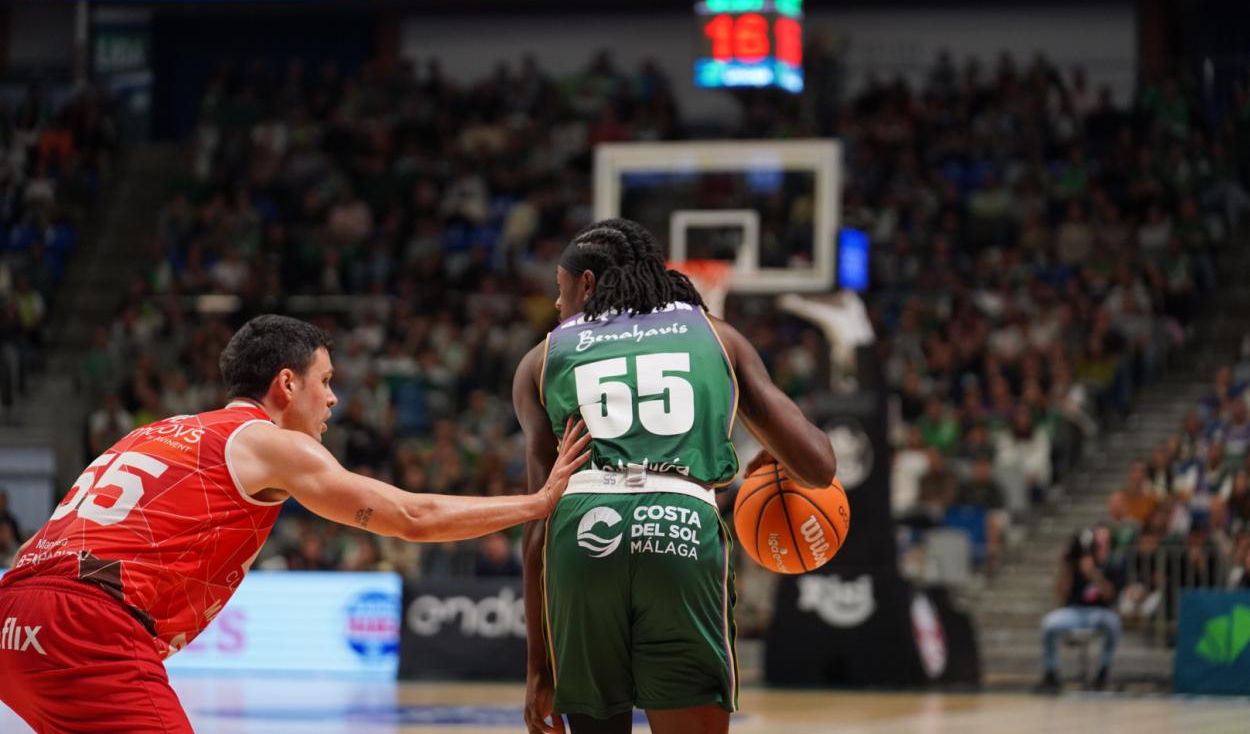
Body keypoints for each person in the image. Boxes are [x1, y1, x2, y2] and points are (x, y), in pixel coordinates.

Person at [0, 314, 590, 733]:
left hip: (14, 615)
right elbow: (411, 516)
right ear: (287, 382)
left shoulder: (153, 431)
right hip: (89, 622)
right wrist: (535, 503)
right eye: (326, 380)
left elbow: (43, 537)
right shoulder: (266, 441)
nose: (333, 399)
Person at [514, 219, 836, 734]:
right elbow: (819, 467)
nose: (557, 304)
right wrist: (772, 457)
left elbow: (536, 520)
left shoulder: (542, 357)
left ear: (588, 284)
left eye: (560, 288)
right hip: (679, 524)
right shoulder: (715, 334)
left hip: (582, 533)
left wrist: (538, 666)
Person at [1036, 525, 1124, 693]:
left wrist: (1092, 574)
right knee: (1048, 624)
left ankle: (1102, 672)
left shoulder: (1114, 562)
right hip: (1075, 611)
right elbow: (1061, 596)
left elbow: (1110, 594)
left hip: (1100, 612)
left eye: (1104, 541)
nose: (1100, 544)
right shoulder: (1074, 562)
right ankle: (1051, 672)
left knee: (1113, 623)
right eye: (1098, 540)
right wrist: (1066, 567)